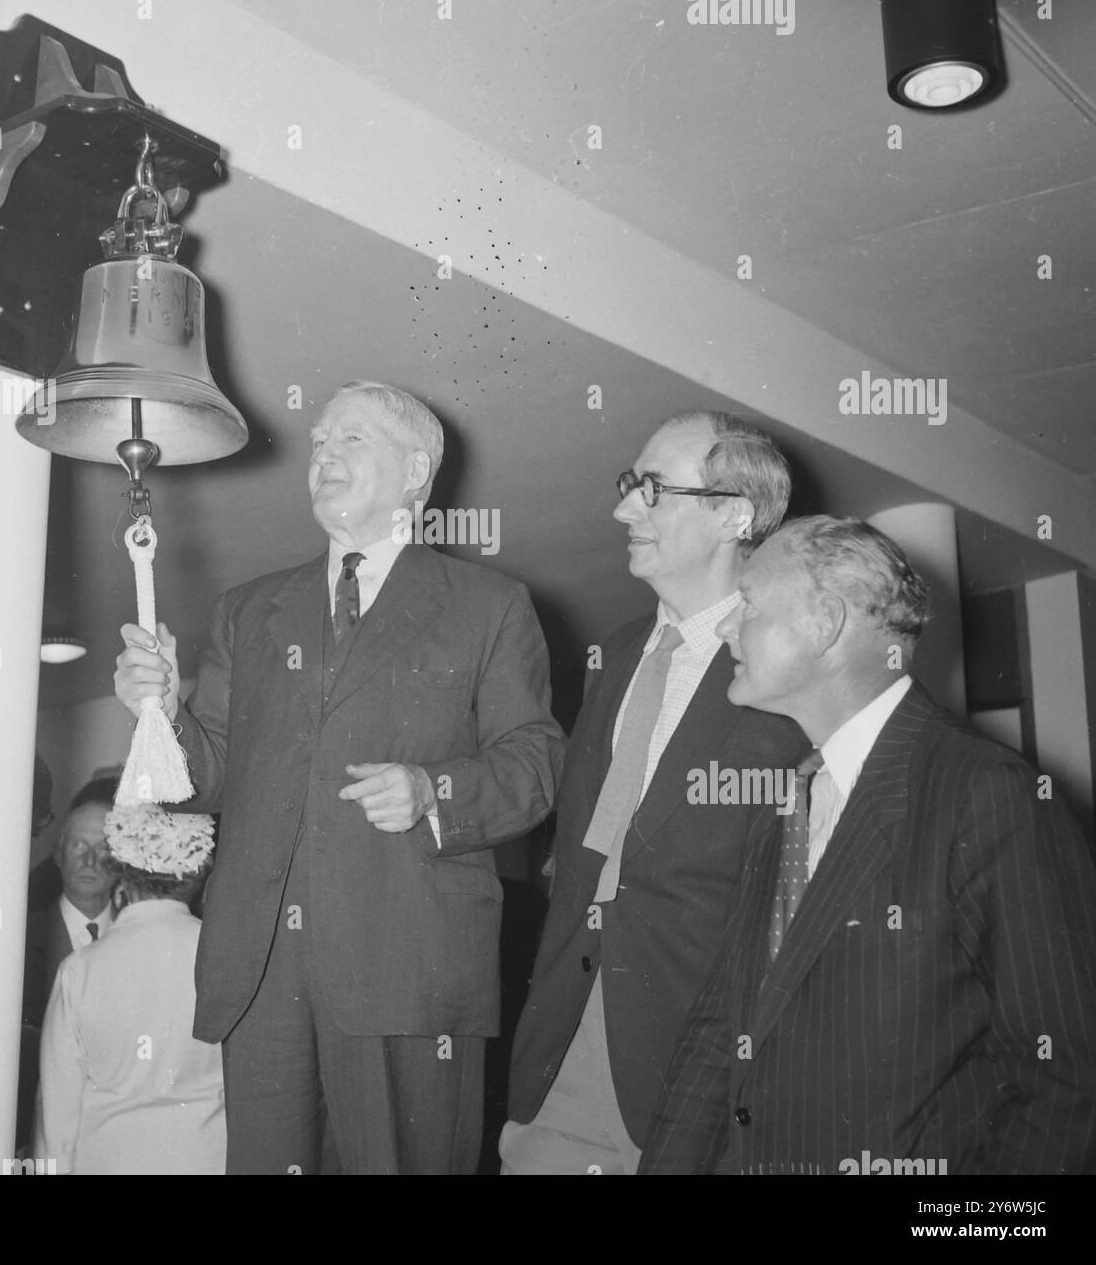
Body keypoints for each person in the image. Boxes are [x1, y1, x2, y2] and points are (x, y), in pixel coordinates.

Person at [115, 379, 562, 1174]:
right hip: (261, 975)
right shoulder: (250, 610)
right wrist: (160, 715)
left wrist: (435, 791)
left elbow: (535, 760)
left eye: (351, 439)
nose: (323, 455)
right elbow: (208, 772)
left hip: (407, 963)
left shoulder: (489, 606)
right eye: (318, 441)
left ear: (417, 469)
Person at [640, 516, 1096, 1174]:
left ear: (824, 621)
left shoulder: (983, 792)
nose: (723, 627)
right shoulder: (786, 805)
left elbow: (1066, 1076)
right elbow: (723, 1032)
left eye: (747, 606)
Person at [503, 411, 808, 1174]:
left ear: (735, 513)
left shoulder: (796, 667)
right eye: (626, 487)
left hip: (705, 1080)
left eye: (651, 490)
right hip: (561, 1052)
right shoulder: (617, 654)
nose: (621, 510)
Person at [34, 805, 223, 1174]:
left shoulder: (80, 971)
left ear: (124, 871)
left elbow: (57, 1118)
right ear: (197, 872)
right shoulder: (226, 959)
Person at [18, 775, 120, 1150]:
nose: (90, 860)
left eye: (103, 847)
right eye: (79, 844)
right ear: (59, 854)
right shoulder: (20, 940)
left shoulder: (137, 942)